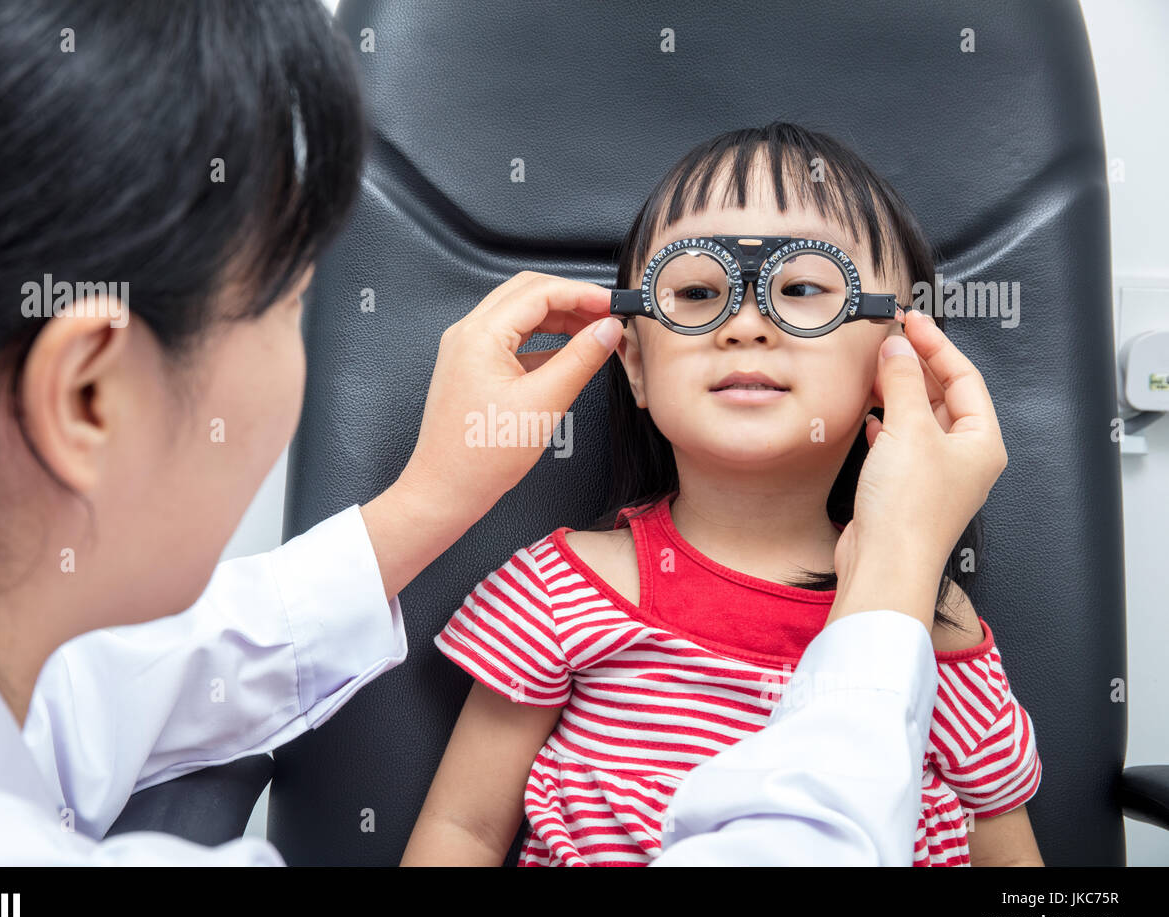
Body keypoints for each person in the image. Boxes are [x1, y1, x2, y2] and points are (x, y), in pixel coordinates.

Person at [0, 1, 1006, 865]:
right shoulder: (578, 594)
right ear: (89, 397)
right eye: (289, 299)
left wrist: (424, 503)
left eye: (803, 292)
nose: (750, 324)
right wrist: (889, 596)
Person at [404, 124, 1040, 867]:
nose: (745, 323)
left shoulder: (932, 618)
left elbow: (1008, 858)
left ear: (896, 357)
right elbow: (464, 831)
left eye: (803, 288)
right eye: (699, 291)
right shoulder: (561, 592)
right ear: (635, 366)